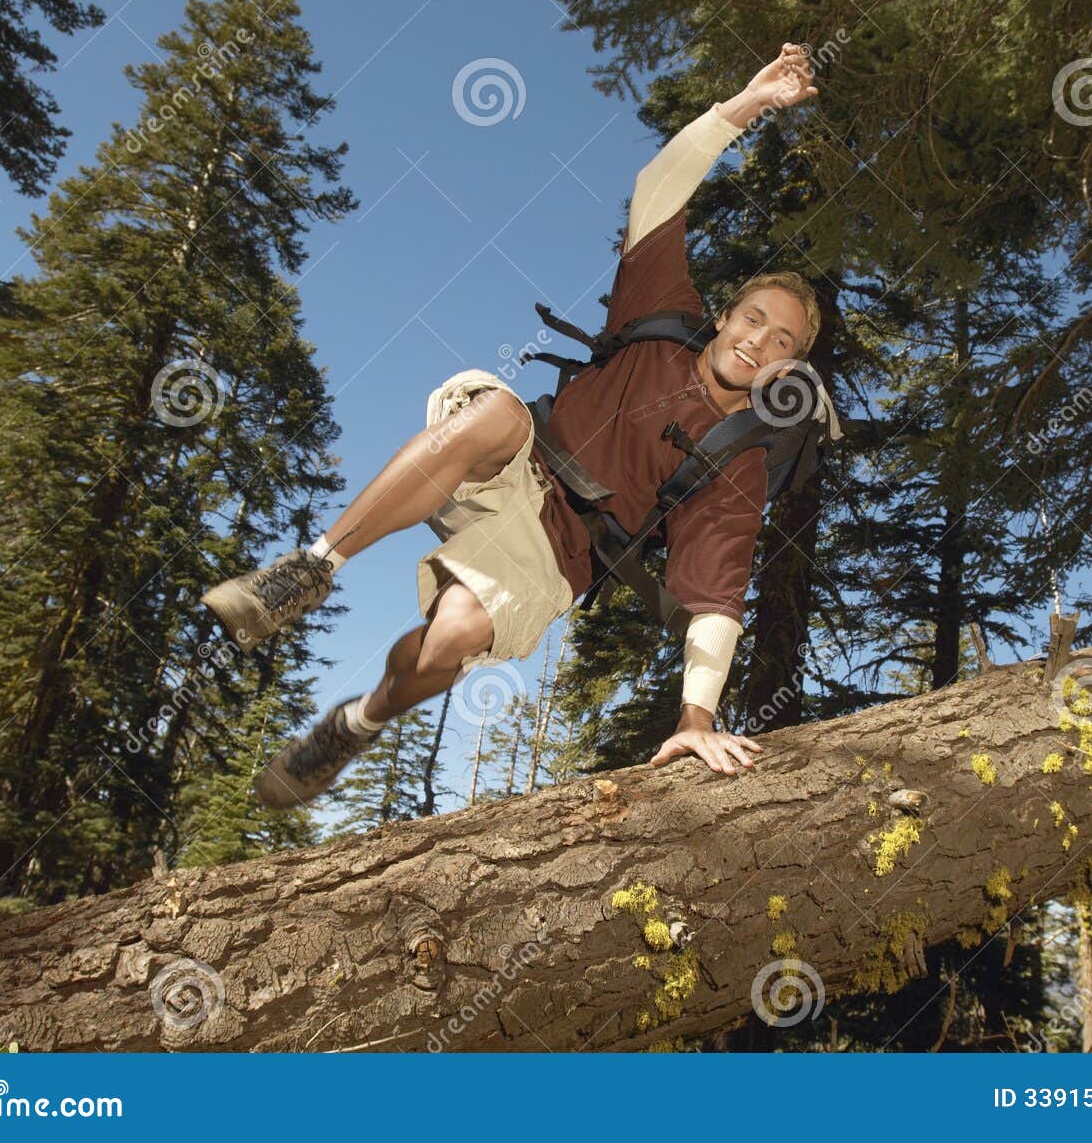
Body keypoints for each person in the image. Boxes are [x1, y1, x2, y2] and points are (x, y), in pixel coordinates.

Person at [201, 43, 827, 809]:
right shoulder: (663, 314)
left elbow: (717, 603)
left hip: (561, 549)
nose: (758, 340)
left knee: (451, 638)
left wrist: (697, 718)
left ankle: (354, 724)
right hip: (513, 453)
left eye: (782, 342)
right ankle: (309, 569)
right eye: (753, 318)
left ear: (784, 372)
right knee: (494, 408)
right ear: (725, 314)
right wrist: (751, 103)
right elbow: (659, 184)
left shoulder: (739, 462)